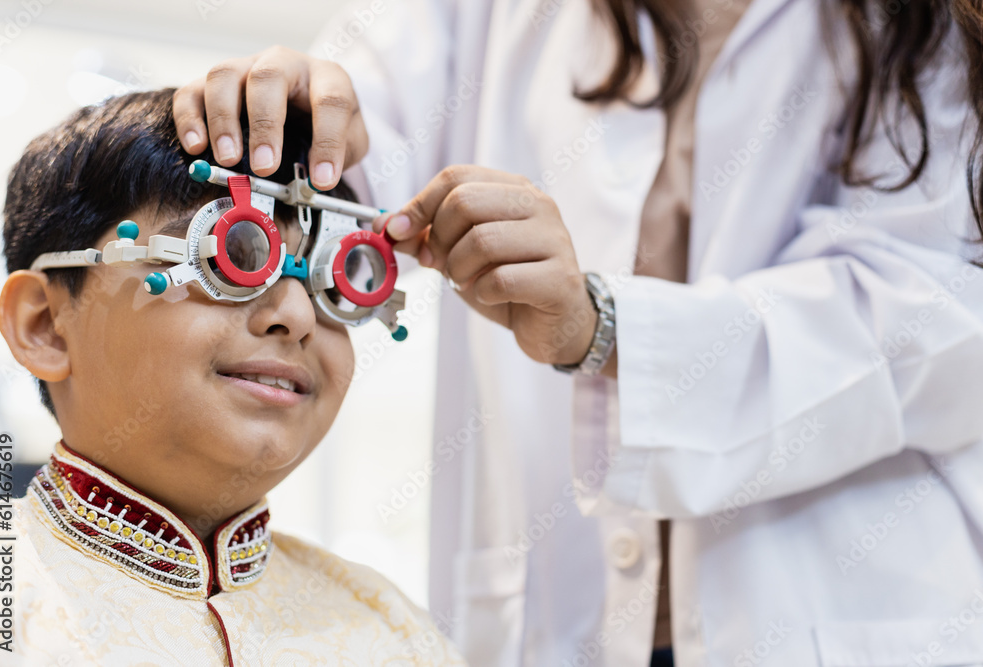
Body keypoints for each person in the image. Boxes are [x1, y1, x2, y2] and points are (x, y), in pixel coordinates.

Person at [173, 0, 983, 664]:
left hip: (850, 617)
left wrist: (605, 329)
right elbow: (356, 160)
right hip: (558, 617)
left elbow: (923, 319)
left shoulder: (931, 26)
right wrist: (297, 134)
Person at [0, 88, 466, 666]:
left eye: (330, 281)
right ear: (47, 326)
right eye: (232, 253)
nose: (297, 314)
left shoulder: (392, 627)